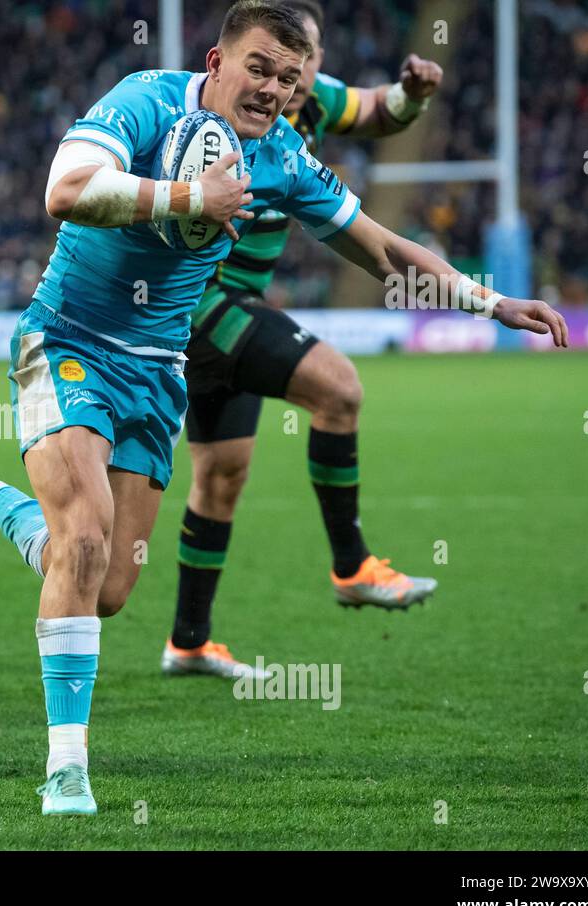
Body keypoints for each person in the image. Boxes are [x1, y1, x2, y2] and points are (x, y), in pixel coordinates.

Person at [0, 0, 565, 815]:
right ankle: (66, 771)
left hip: (160, 373)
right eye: (260, 68)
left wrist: (489, 302)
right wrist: (191, 198)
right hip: (69, 341)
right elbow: (65, 190)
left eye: (290, 79)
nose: (272, 89)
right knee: (82, 539)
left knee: (110, 586)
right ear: (217, 61)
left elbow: (377, 247)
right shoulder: (146, 100)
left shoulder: (286, 156)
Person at [166, 0, 446, 680]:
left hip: (236, 304)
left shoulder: (309, 101)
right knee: (338, 387)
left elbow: (376, 113)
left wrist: (409, 96)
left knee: (220, 476)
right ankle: (352, 565)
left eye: (310, 61)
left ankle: (189, 641)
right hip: (200, 300)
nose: (303, 75)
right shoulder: (212, 119)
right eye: (289, 61)